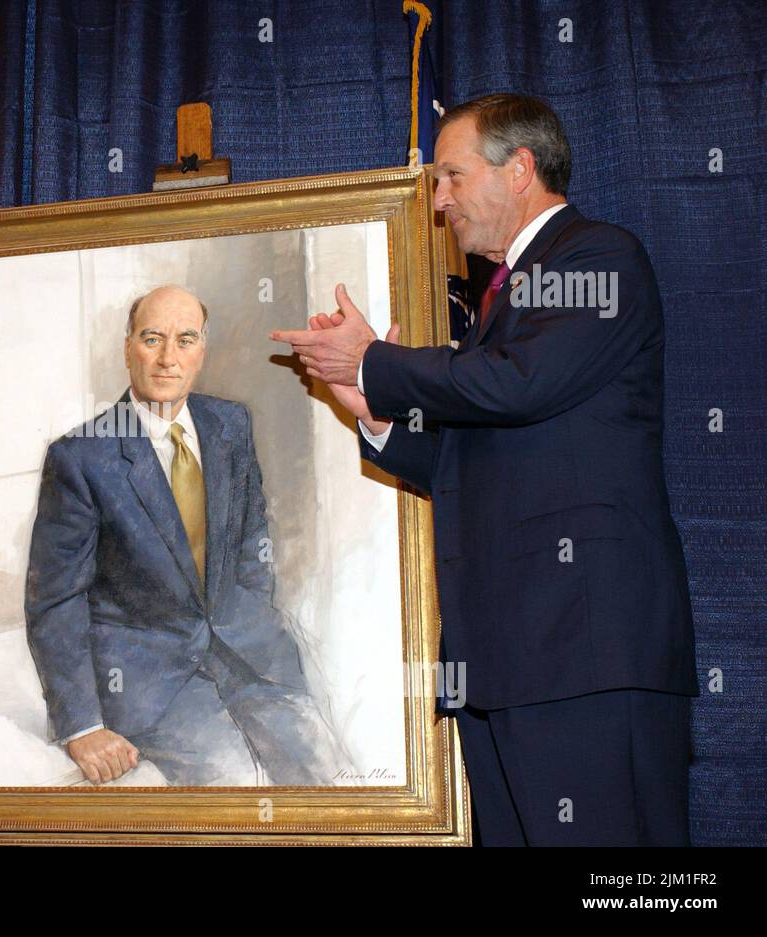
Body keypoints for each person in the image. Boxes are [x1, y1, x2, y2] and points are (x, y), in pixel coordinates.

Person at [272, 94, 697, 845]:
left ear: (521, 169)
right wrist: (371, 411)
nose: (439, 204)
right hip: (507, 662)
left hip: (584, 656)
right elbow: (476, 451)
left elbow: (518, 383)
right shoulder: (502, 296)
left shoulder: (598, 257)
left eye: (451, 177)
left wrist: (377, 360)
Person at [25, 285, 342, 787]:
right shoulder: (80, 457)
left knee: (328, 775)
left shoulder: (230, 425)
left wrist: (248, 614)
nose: (168, 358)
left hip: (244, 655)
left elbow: (251, 545)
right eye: (152, 339)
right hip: (150, 680)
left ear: (203, 350)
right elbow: (55, 601)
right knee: (233, 786)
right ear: (128, 346)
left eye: (185, 339)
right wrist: (81, 726)